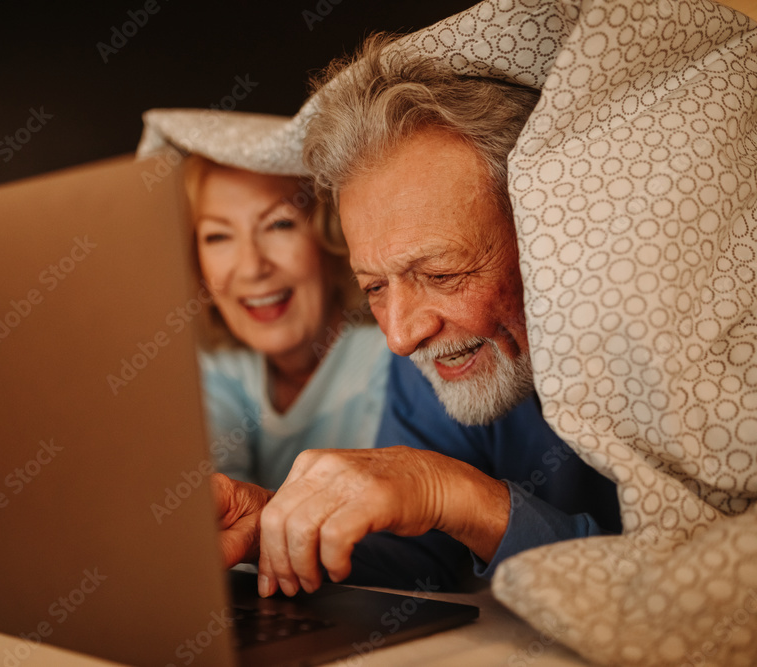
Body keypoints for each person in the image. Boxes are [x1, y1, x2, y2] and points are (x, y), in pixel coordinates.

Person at [214, 0, 757, 662]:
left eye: (442, 272)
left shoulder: (680, 337)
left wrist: (458, 495)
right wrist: (287, 527)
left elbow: (706, 587)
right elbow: (416, 562)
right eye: (375, 287)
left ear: (546, 235)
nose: (400, 334)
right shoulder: (437, 359)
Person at [137, 112, 390, 489]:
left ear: (330, 234)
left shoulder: (392, 356)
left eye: (279, 224)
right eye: (218, 237)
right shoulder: (217, 368)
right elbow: (213, 506)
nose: (253, 267)